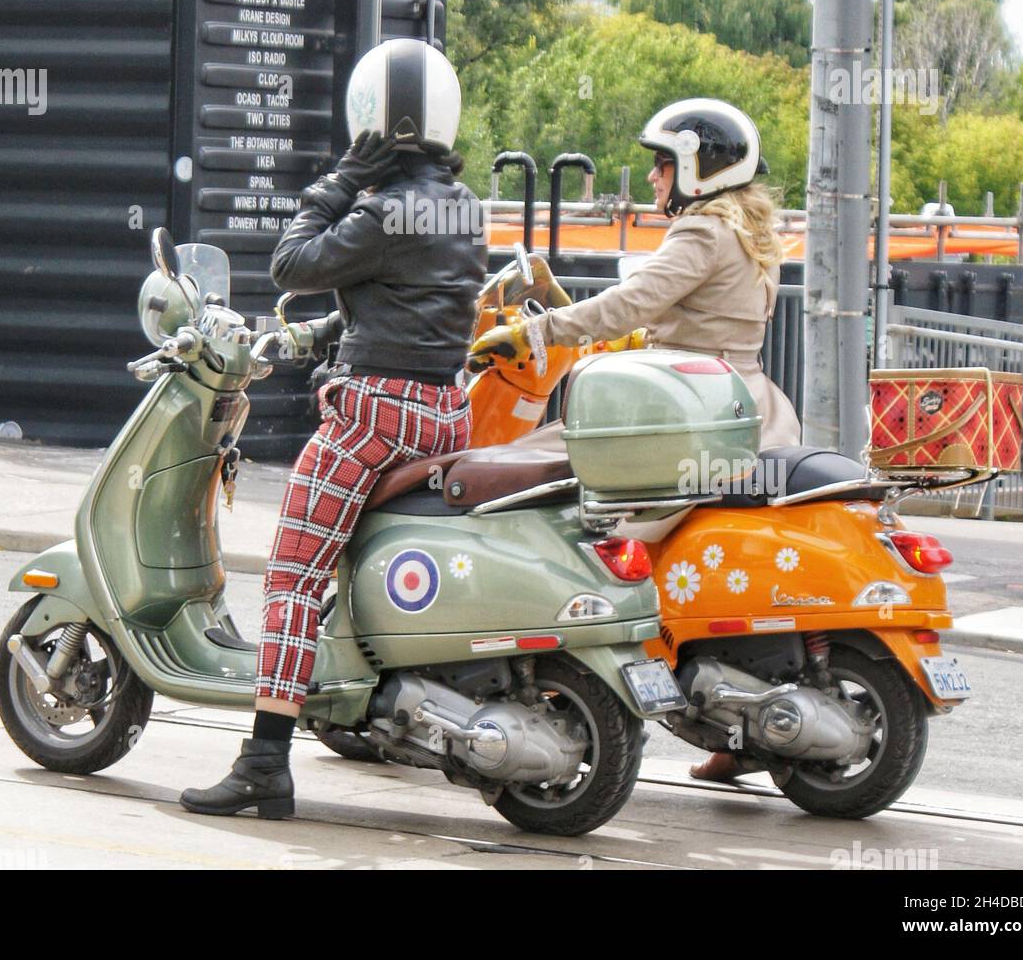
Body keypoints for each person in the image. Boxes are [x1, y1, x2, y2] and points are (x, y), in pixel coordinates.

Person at [181, 40, 487, 819]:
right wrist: (320, 338)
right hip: (443, 411)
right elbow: (402, 300)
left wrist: (340, 180)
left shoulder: (380, 207)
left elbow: (291, 263)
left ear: (372, 121)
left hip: (376, 418)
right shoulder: (462, 207)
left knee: (290, 578)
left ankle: (264, 760)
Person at [467, 98, 800, 786]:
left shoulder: (702, 233)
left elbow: (630, 302)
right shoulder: (748, 231)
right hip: (744, 402)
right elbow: (689, 319)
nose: (652, 179)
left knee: (591, 536)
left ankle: (587, 693)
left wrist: (535, 332)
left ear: (698, 169)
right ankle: (728, 726)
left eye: (661, 163)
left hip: (689, 412)